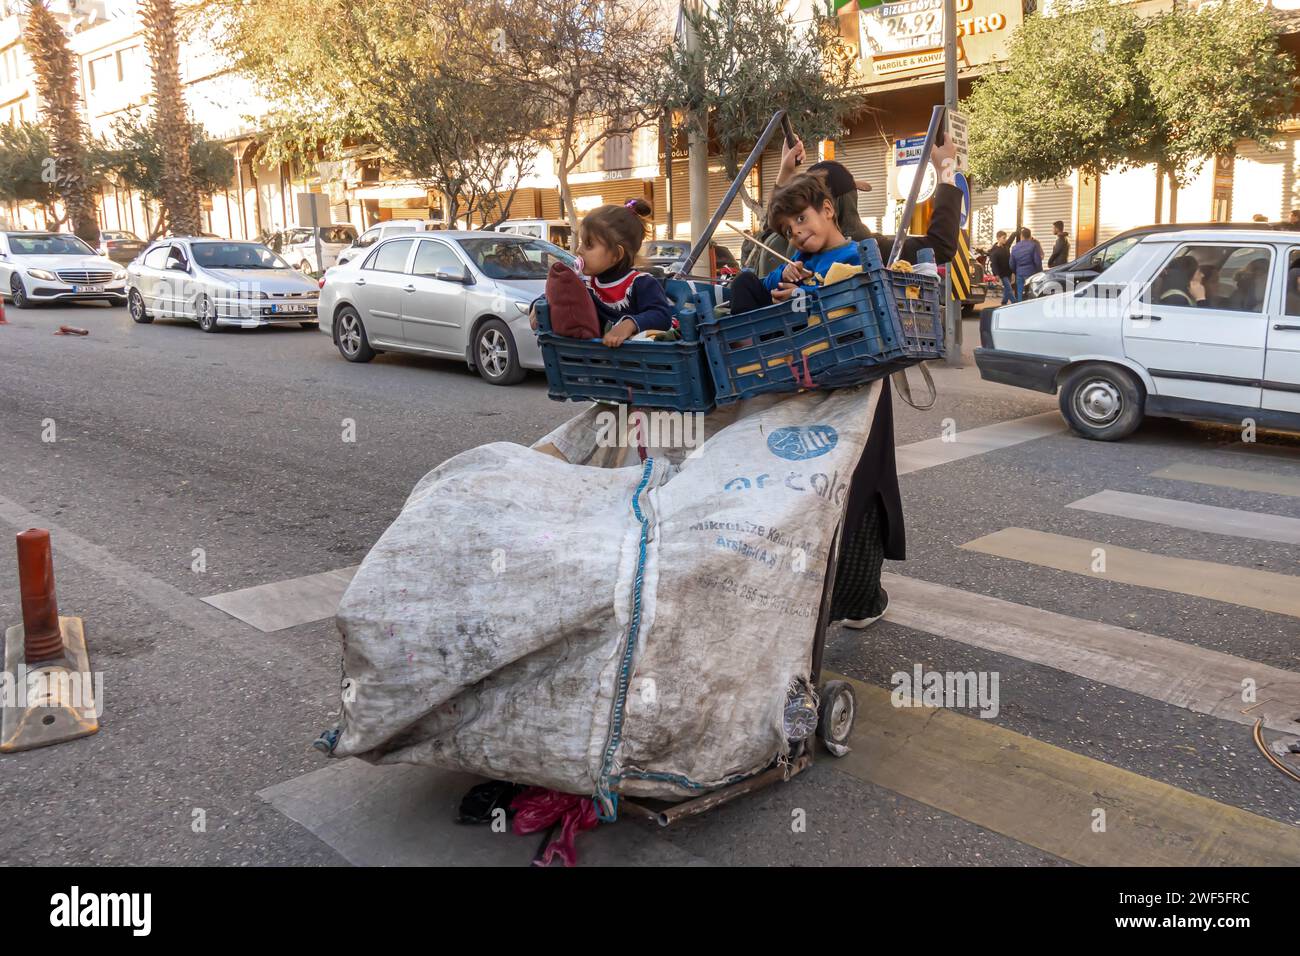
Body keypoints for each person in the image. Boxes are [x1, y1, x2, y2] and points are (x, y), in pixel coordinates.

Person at [731, 135, 961, 630]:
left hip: (860, 388)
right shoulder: (790, 262)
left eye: (804, 217)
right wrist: (783, 295)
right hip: (803, 388)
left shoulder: (873, 250)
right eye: (789, 226)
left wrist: (947, 174)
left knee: (856, 490)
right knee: (802, 489)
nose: (796, 232)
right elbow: (764, 261)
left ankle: (856, 596)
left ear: (830, 208)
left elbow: (940, 247)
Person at [536, 198, 672, 347]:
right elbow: (560, 294)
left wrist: (628, 325)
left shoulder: (642, 283)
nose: (578, 250)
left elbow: (661, 315)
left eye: (588, 245)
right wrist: (538, 307)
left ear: (616, 254)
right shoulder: (586, 284)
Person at [1009, 227, 1043, 301]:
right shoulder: (1033, 245)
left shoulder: (1015, 247)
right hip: (1031, 272)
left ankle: (1021, 308)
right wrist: (1040, 272)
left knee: (1020, 292)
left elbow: (1011, 263)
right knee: (1032, 292)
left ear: (1021, 236)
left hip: (1020, 272)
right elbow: (1037, 261)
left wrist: (1016, 271)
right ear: (1030, 236)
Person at [989, 230, 1014, 304]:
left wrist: (1015, 233)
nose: (1005, 239)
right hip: (1002, 273)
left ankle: (1004, 302)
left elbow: (1011, 239)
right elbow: (994, 264)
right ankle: (1015, 302)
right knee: (1009, 289)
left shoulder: (1006, 246)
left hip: (1008, 271)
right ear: (998, 238)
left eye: (1005, 238)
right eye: (1004, 238)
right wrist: (996, 274)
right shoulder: (994, 250)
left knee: (1007, 289)